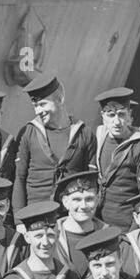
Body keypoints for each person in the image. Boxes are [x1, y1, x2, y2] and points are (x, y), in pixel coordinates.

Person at [12, 74, 97, 213]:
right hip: (35, 216)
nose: (37, 111)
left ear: (60, 99)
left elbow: (91, 180)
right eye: (35, 106)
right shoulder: (28, 133)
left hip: (71, 215)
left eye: (42, 104)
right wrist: (19, 220)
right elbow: (19, 178)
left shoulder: (84, 133)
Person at [94, 86, 140, 230]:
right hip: (99, 224)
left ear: (130, 115)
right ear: (103, 117)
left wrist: (134, 233)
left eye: (121, 114)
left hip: (126, 227)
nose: (117, 121)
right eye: (111, 115)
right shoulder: (99, 138)